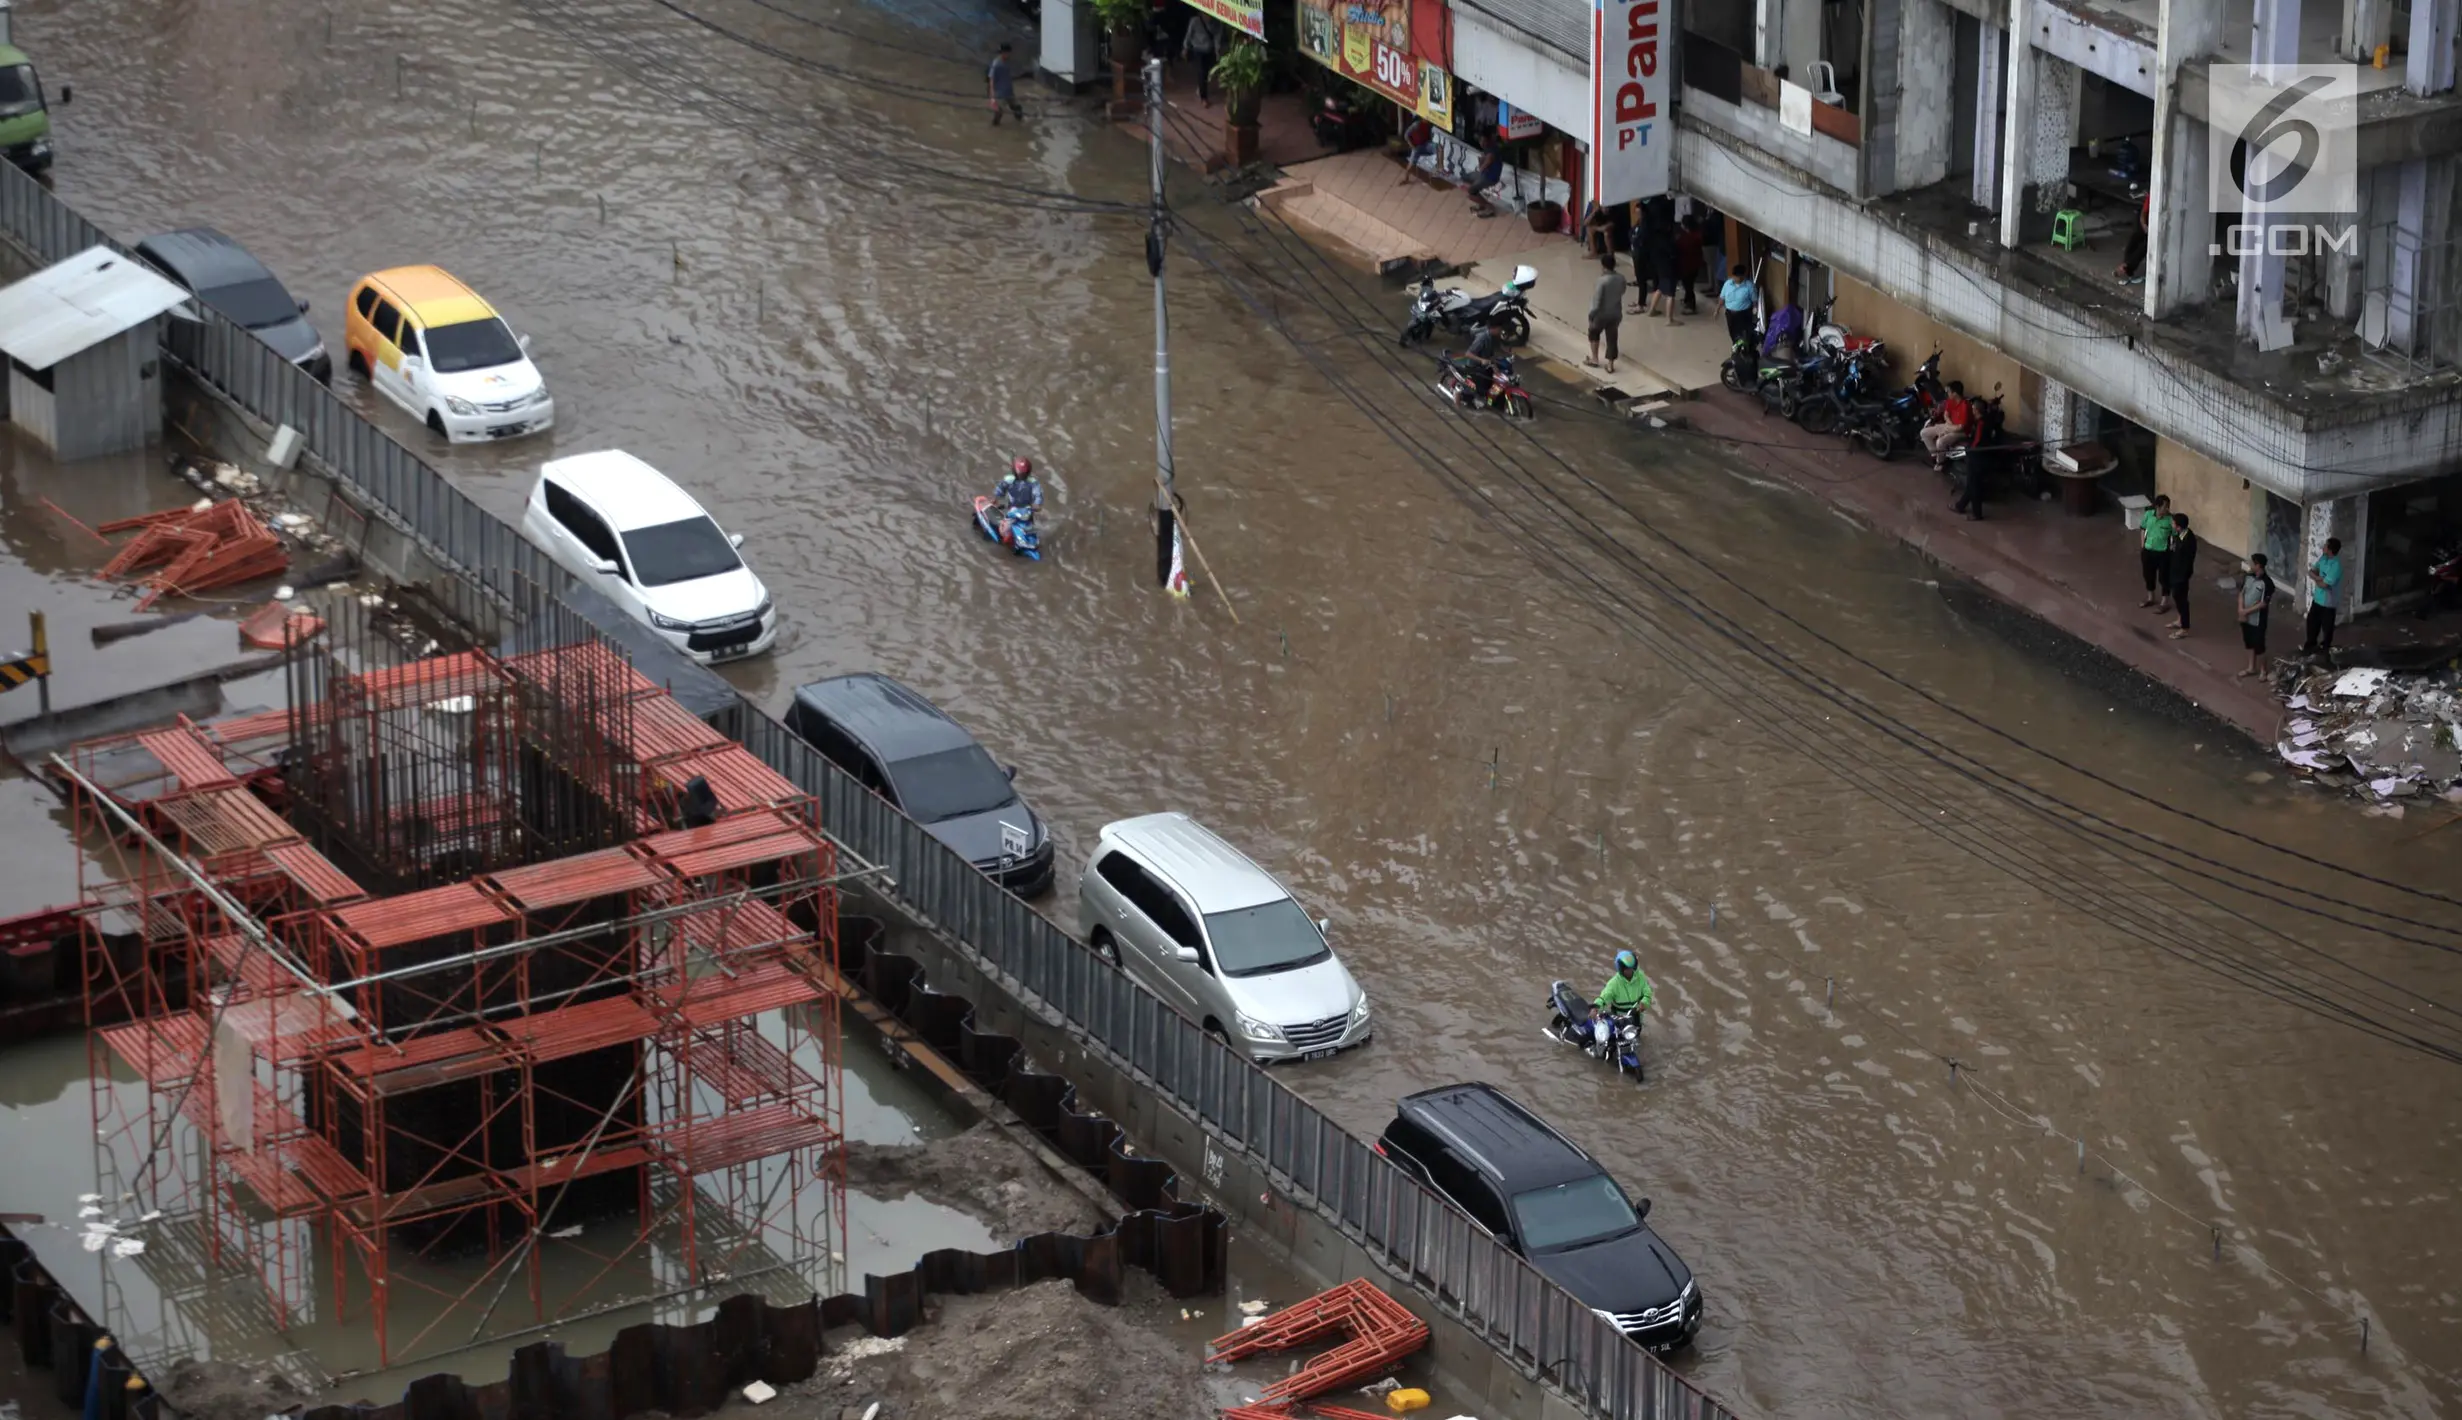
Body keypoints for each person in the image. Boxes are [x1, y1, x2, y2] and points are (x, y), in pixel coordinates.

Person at [1586, 253, 1627, 375]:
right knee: (1612, 338)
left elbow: (1598, 300)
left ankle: (1595, 358)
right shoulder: (1621, 278)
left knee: (1593, 333)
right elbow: (1623, 291)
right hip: (1615, 313)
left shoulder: (1602, 281)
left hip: (1601, 313)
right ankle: (1610, 365)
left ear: (1603, 265)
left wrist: (1592, 314)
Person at [2303, 536, 2343, 656]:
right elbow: (2311, 572)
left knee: (2327, 628)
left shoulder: (2336, 566)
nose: (2323, 547)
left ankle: (2325, 650)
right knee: (2312, 624)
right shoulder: (2323, 558)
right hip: (2317, 600)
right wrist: (2319, 578)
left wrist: (2318, 579)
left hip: (2328, 604)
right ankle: (2310, 646)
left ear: (2330, 550)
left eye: (2325, 546)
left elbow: (2324, 585)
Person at [2237, 553, 2275, 676]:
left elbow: (2263, 604)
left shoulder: (2267, 583)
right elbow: (2241, 593)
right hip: (2245, 618)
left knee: (2259, 645)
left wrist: (2245, 612)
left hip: (2258, 620)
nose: (2250, 565)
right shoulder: (2248, 577)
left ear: (2258, 565)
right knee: (2249, 643)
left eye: (2252, 563)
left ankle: (2263, 670)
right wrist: (2240, 609)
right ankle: (2251, 667)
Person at [2136, 493, 2174, 611]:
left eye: (2168, 506)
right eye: (2165, 506)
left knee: (2164, 578)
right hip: (2148, 551)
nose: (2167, 509)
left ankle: (2164, 602)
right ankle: (2150, 598)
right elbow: (2142, 528)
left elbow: (2176, 535)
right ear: (2157, 507)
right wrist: (2143, 545)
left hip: (2163, 553)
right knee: (2148, 575)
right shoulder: (2148, 515)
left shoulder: (2170, 520)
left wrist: (2173, 549)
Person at [2164, 513, 2198, 638]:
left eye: (2173, 523)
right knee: (2177, 597)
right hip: (2175, 573)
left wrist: (2182, 575)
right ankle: (2180, 620)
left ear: (2178, 527)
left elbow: (2187, 561)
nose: (2171, 524)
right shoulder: (2180, 535)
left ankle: (2185, 628)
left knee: (2182, 600)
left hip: (2181, 575)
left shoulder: (2189, 540)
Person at [1922, 381, 1973, 464]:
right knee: (1924, 433)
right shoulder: (1950, 401)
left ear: (1955, 393)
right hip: (1950, 426)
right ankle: (1935, 455)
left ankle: (1940, 462)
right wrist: (1949, 426)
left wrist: (1948, 430)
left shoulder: (1965, 405)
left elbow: (1961, 427)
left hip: (1962, 432)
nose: (1947, 393)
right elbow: (1946, 415)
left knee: (1940, 442)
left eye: (1949, 391)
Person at [1594, 950, 1654, 1016]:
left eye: (1632, 968)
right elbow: (1603, 999)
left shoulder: (1640, 977)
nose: (1630, 971)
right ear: (1620, 968)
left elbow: (1648, 994)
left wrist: (1644, 1003)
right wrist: (1595, 1008)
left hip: (1637, 1017)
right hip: (1619, 1019)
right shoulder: (1614, 983)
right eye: (1627, 969)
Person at [2116, 185, 2149, 285]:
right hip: (2144, 221)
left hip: (2152, 225)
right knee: (2135, 238)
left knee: (2145, 246)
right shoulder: (2150, 199)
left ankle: (2128, 266)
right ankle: (2126, 265)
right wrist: (2145, 227)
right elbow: (2142, 215)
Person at [1182, 15, 1219, 104]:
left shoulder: (1215, 22)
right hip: (1198, 50)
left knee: (1209, 72)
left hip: (1210, 50)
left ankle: (1201, 87)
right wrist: (1185, 47)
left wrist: (1217, 51)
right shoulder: (1195, 21)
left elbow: (1217, 37)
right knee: (1201, 72)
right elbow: (1189, 34)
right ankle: (1204, 98)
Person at [1673, 216, 1704, 316]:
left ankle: (1691, 306)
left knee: (1688, 286)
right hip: (1694, 265)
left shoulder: (1686, 238)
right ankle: (1687, 301)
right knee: (1688, 285)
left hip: (1687, 265)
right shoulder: (1696, 235)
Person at [1467, 141, 1507, 217]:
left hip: (1489, 178)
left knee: (1471, 192)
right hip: (1486, 175)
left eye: (1481, 140)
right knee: (1469, 179)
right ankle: (1481, 203)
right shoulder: (1490, 150)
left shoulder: (1491, 153)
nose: (1480, 142)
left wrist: (1481, 162)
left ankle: (1489, 207)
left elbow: (1482, 167)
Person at [1721, 265, 1759, 346]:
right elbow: (1722, 297)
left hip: (1743, 314)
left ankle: (1744, 349)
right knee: (1732, 332)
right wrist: (1717, 310)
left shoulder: (1749, 286)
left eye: (1739, 277)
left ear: (1743, 276)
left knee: (1744, 334)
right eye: (1735, 276)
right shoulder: (1727, 284)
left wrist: (1755, 309)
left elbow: (1754, 300)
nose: (1737, 278)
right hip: (1730, 314)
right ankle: (1736, 346)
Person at [987, 42, 1024, 126]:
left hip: (1009, 92)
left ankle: (1020, 125)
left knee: (1017, 108)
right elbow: (991, 80)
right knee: (999, 112)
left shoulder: (1009, 62)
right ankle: (994, 128)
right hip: (999, 93)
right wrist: (992, 97)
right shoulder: (996, 64)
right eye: (1005, 52)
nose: (1007, 54)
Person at [995, 457, 1042, 522]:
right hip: (1011, 507)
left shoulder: (1033, 482)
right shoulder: (1009, 480)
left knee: (1029, 525)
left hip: (1027, 510)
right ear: (1015, 471)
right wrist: (996, 500)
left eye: (1024, 474)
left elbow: (1038, 494)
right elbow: (999, 490)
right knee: (1005, 526)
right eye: (1020, 474)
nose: (1022, 476)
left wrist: (1037, 503)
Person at [1398, 117, 1436, 183]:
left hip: (1425, 144)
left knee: (1437, 148)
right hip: (1417, 146)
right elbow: (1406, 135)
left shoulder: (1430, 125)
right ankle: (1406, 178)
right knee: (1412, 163)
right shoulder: (1417, 124)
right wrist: (1412, 146)